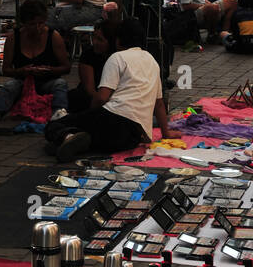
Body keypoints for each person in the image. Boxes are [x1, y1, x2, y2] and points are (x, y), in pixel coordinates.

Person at [44, 18, 169, 162]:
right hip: (133, 137)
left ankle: (67, 137)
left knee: (54, 125)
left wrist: (92, 114)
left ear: (118, 40)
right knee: (98, 137)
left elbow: (102, 98)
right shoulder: (152, 60)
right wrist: (166, 133)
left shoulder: (117, 57)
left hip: (112, 120)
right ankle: (73, 142)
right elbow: (159, 104)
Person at [0, 0, 70, 123]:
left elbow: (66, 67)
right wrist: (22, 71)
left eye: (41, 23)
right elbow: (6, 69)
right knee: (10, 85)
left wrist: (49, 70)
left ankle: (59, 113)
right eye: (32, 24)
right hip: (23, 83)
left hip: (47, 82)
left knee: (60, 84)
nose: (37, 28)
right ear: (24, 23)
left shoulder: (53, 36)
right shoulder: (14, 38)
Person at [67, 17, 121, 113]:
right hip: (93, 97)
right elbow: (90, 90)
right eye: (94, 37)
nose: (95, 42)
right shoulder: (89, 54)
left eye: (100, 40)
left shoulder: (119, 57)